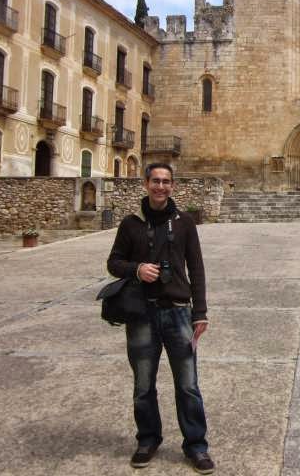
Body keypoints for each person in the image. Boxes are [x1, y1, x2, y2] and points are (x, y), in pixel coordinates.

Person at [107, 162, 214, 473]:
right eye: (156, 181)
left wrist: (201, 312)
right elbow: (114, 262)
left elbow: (197, 268)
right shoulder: (130, 224)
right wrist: (136, 269)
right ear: (145, 184)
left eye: (166, 182)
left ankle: (196, 446)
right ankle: (148, 439)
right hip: (141, 314)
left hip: (179, 312)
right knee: (143, 384)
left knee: (189, 385)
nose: (161, 187)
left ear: (173, 186)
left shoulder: (184, 223)